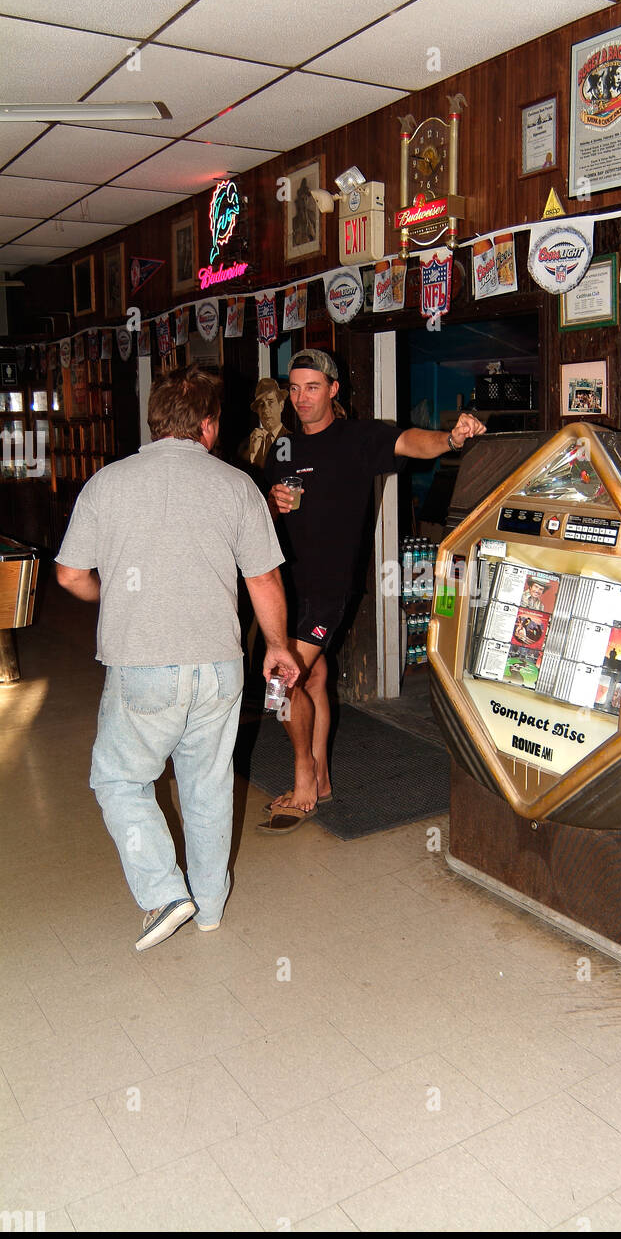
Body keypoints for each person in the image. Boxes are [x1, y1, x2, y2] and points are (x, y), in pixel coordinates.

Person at [55, 365, 298, 950]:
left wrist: (107, 592)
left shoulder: (106, 483)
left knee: (118, 779)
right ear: (209, 426)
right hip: (218, 666)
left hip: (142, 666)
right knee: (208, 785)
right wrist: (278, 646)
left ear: (154, 421)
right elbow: (263, 580)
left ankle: (166, 893)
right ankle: (210, 907)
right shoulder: (237, 486)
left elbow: (69, 575)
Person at [260, 348, 485, 832]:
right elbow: (267, 508)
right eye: (294, 389)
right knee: (313, 680)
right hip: (284, 583)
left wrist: (449, 437)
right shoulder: (281, 446)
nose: (301, 398)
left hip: (330, 588)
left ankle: (302, 778)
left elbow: (413, 443)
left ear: (334, 389)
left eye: (312, 387)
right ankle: (321, 778)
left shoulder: (360, 437)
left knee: (281, 681)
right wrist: (274, 505)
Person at [239, 377, 292, 472]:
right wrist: (252, 453)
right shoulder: (247, 444)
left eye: (270, 402)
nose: (265, 410)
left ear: (281, 405)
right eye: (261, 404)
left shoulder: (290, 440)